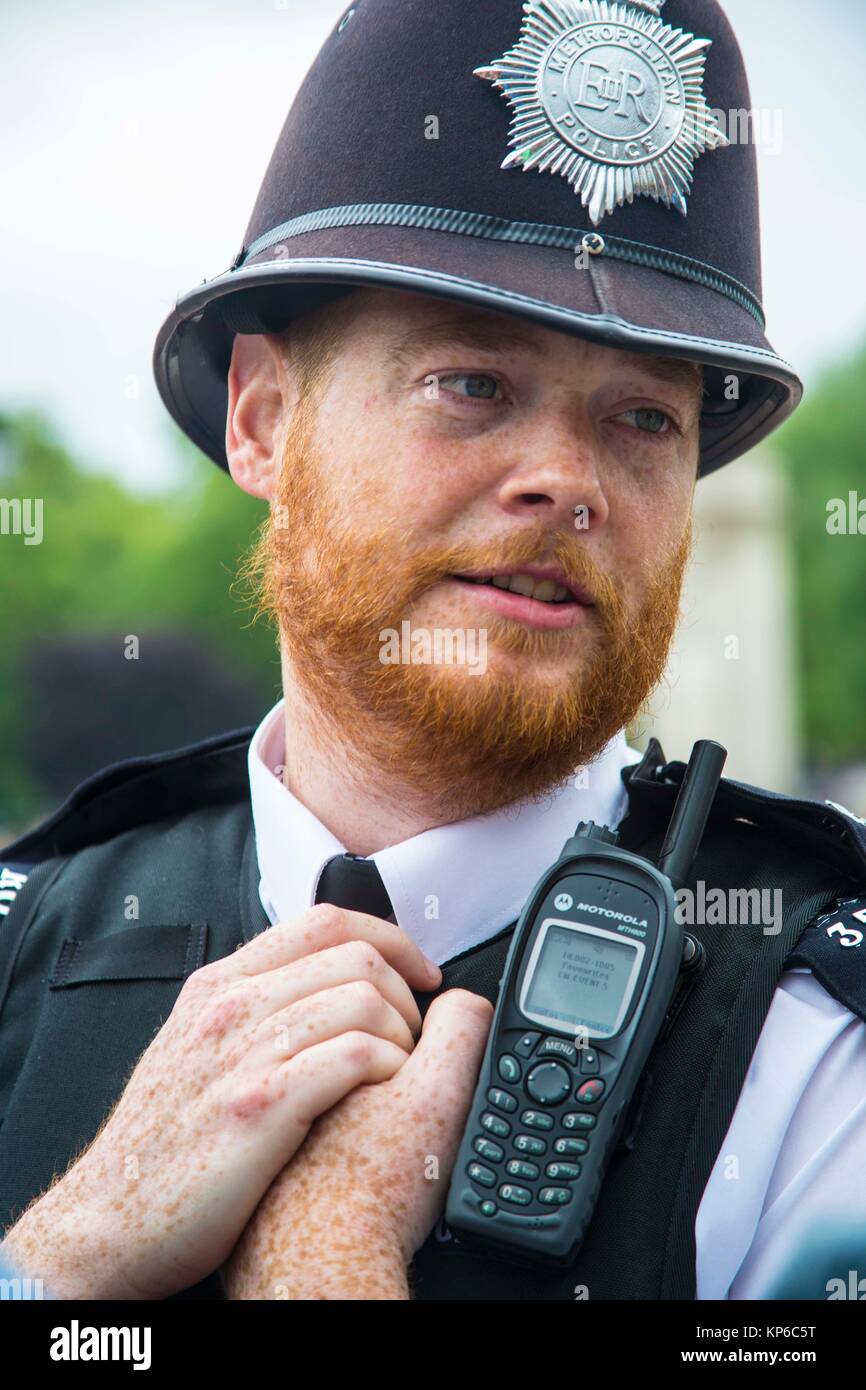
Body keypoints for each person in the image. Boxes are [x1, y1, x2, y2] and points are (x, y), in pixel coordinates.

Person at [2, 0, 865, 1301]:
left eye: (642, 417)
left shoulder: (817, 1048)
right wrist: (57, 1259)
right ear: (262, 418)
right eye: (473, 383)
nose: (567, 480)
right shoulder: (27, 940)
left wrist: (325, 1267)